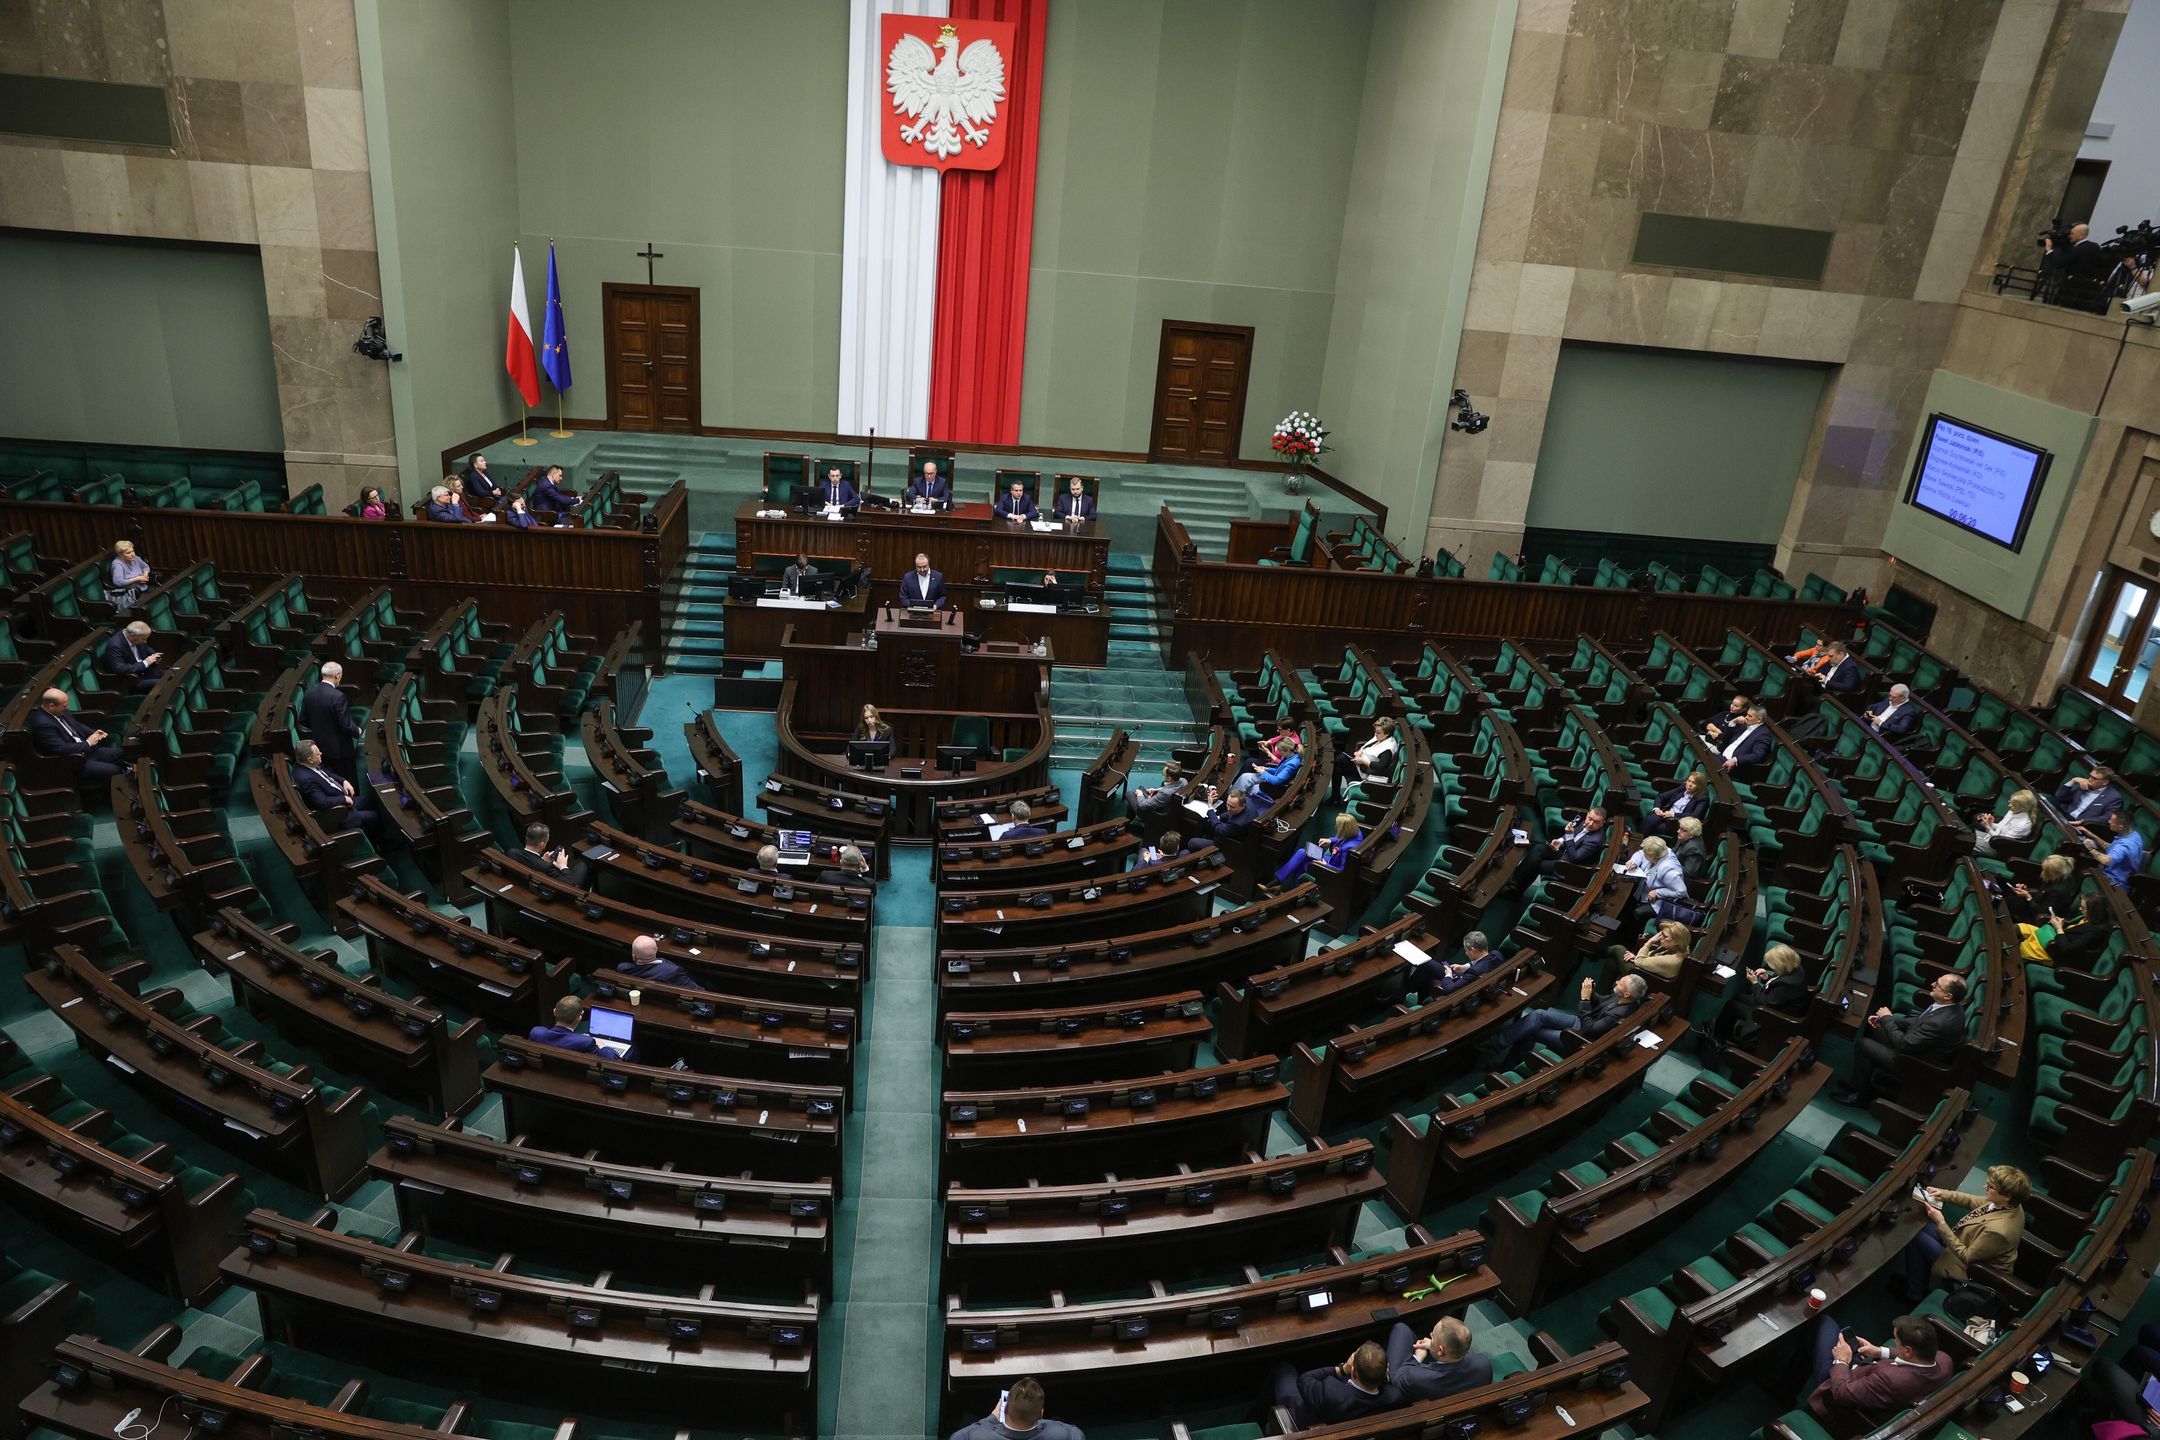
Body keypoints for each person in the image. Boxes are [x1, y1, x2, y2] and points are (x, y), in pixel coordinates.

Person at [1800, 1313, 1955, 1434]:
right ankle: (1786, 1385)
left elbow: (1841, 1393)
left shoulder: (1890, 1380)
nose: (1894, 1343)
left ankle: (1788, 1389)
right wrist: (1880, 1351)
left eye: (1896, 1341)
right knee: (1809, 1341)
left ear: (1908, 1350)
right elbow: (1916, 1358)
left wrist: (1842, 1361)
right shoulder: (1944, 1360)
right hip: (1867, 1375)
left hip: (1837, 1384)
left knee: (1823, 1322)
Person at [1895, 1164, 2029, 1301]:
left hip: (1972, 1270)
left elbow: (1967, 1256)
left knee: (1916, 1237)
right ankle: (1918, 1283)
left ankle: (1914, 1292)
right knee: (1920, 1227)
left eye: (1991, 1187)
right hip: (1966, 1242)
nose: (1985, 1188)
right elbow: (1971, 1201)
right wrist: (1942, 1194)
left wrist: (1941, 1223)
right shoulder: (2010, 1205)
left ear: (2007, 1196)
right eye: (1988, 1183)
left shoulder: (1999, 1231)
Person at [1832, 971, 1967, 1105]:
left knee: (1864, 1045)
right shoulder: (1950, 1006)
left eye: (1938, 985)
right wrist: (1886, 1020)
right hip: (1916, 1046)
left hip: (1915, 1063)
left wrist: (1887, 1019)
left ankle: (1860, 1097)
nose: (1932, 984)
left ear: (1948, 995)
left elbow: (1904, 1045)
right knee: (1875, 1028)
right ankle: (1859, 1083)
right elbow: (1918, 1021)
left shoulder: (1939, 1022)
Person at [1480, 974, 1648, 1069]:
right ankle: (1496, 1042)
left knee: (1533, 1031)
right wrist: (1591, 990)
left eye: (1621, 983)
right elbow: (1602, 1001)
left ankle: (1506, 1065)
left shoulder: (1620, 1013)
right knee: (1539, 1014)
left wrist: (1584, 999)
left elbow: (1589, 1030)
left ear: (1627, 995)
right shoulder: (1621, 997)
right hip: (1581, 1022)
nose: (1617, 982)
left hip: (1580, 1039)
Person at [1267, 1341, 1399, 1430]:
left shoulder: (1332, 1393)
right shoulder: (1394, 1396)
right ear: (1386, 1371)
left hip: (1307, 1424)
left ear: (1353, 1371)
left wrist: (1341, 1369)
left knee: (1284, 1369)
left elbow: (1304, 1379)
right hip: (1342, 1423)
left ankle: (1257, 1418)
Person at [1707, 941, 1810, 1051]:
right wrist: (1767, 977)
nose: (1770, 967)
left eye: (1772, 965)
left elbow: (1765, 1002)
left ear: (1780, 966)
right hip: (1775, 1003)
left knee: (1731, 1006)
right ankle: (1725, 1033)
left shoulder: (1788, 985)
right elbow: (1778, 986)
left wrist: (1755, 983)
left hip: (1772, 1016)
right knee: (1738, 997)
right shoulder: (1794, 968)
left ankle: (1716, 1039)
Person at [29, 688, 131, 783]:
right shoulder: (42, 724)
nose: (67, 707)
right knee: (114, 770)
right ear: (51, 706)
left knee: (124, 753)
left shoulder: (59, 710)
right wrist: (88, 743)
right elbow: (61, 748)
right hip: (74, 761)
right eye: (64, 706)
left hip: (86, 751)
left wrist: (93, 733)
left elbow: (76, 726)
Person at [1506, 805, 1608, 896]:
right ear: (1587, 815)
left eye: (1596, 822)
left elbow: (1575, 857)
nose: (1590, 824)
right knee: (1540, 848)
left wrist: (1568, 835)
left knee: (1537, 864)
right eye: (1590, 819)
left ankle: (1515, 890)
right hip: (1565, 854)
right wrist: (1560, 841)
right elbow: (1572, 837)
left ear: (1602, 823)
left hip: (1571, 867)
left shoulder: (1595, 840)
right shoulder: (1585, 823)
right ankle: (1515, 879)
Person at [1386, 1316, 1492, 1402]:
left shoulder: (1414, 1377)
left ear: (1441, 1351)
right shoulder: (1484, 1365)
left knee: (1401, 1329)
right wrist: (1433, 1346)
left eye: (1433, 1336)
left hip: (1412, 1406)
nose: (1430, 1334)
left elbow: (1397, 1379)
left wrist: (1417, 1357)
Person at [947, 1375, 1084, 1440]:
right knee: (1058, 1418)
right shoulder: (1064, 1434)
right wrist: (1044, 1422)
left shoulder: (977, 1435)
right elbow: (1076, 1433)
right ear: (1041, 1414)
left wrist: (991, 1419)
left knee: (968, 1418)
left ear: (1005, 1409)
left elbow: (956, 1437)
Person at [292, 740, 380, 832]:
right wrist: (344, 799)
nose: (321, 753)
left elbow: (326, 773)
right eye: (318, 754)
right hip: (339, 813)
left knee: (374, 799)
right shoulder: (306, 779)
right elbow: (321, 802)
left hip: (342, 798)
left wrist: (343, 781)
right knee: (375, 816)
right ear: (310, 760)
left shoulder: (305, 763)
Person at [2022, 887, 2111, 968]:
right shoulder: (2086, 918)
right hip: (2051, 937)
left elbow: (2067, 948)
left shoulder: (2096, 932)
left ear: (2093, 911)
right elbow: (2073, 928)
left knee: (2022, 949)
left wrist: (2059, 928)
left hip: (2055, 952)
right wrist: (2062, 923)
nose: (2080, 909)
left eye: (2083, 908)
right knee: (2019, 927)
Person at [1269, 811, 1361, 888]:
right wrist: (1330, 840)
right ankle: (1280, 882)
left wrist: (1326, 865)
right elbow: (1342, 838)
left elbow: (1342, 870)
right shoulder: (1355, 831)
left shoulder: (1349, 849)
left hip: (1331, 870)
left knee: (1303, 863)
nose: (1336, 828)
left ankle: (1286, 886)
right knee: (1302, 852)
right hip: (1331, 860)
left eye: (1338, 826)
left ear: (1344, 829)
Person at [302, 661, 359, 779]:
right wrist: (357, 731)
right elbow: (346, 725)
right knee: (347, 779)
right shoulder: (338, 696)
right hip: (340, 750)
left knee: (329, 778)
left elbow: (303, 720)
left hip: (319, 746)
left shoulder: (309, 693)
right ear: (337, 675)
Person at [1599, 919, 1691, 987]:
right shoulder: (1676, 948)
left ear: (1677, 941)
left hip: (1645, 980)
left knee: (1618, 949)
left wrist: (1649, 942)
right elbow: (1649, 957)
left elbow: (1640, 961)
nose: (1660, 938)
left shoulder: (1672, 960)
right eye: (1661, 934)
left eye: (1665, 936)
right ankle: (1602, 994)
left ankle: (1595, 952)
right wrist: (1637, 957)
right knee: (1612, 961)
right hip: (1646, 971)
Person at [1412, 929, 1504, 996]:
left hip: (1461, 990)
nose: (1465, 953)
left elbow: (1449, 990)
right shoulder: (1496, 955)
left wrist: (1448, 974)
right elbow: (1481, 963)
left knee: (1429, 982)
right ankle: (1410, 988)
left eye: (1466, 950)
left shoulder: (1474, 972)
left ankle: (1411, 995)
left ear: (1473, 950)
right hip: (1467, 979)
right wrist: (1465, 967)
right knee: (1429, 963)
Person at [1619, 833, 1689, 919]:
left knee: (1635, 910)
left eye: (1645, 852)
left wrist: (1658, 892)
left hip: (1662, 902)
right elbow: (1640, 853)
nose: (1643, 853)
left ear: (1651, 856)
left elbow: (1681, 891)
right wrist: (1634, 861)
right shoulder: (1660, 851)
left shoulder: (1668, 871)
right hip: (1646, 892)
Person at [512, 821, 591, 889]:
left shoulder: (512, 853)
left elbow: (531, 861)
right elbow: (571, 885)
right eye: (547, 841)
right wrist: (563, 866)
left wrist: (542, 860)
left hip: (522, 883)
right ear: (542, 845)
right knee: (582, 864)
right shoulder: (546, 867)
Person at [2008, 852, 2078, 925]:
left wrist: (2028, 897)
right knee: (2010, 901)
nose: (2043, 873)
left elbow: (2042, 913)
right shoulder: (2056, 878)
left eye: (2046, 871)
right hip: (2035, 906)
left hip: (2040, 918)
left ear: (2053, 873)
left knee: (2009, 906)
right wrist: (2026, 890)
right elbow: (2042, 894)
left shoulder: (2058, 891)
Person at [615, 933, 702, 991]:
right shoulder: (673, 972)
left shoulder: (623, 968)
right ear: (656, 950)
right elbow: (698, 991)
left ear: (634, 955)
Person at [2085, 809, 2145, 890]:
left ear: (2120, 827)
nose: (2109, 821)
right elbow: (2111, 848)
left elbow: (2106, 861)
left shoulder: (2124, 846)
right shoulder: (2134, 835)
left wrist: (2090, 849)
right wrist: (2090, 834)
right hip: (2117, 878)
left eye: (2111, 821)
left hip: (2113, 883)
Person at [2054, 762, 2124, 829]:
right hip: (2066, 812)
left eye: (2094, 778)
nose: (2090, 779)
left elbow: (2107, 818)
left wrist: (2084, 821)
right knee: (2049, 799)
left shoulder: (2114, 798)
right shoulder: (2085, 784)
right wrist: (2073, 781)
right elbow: (2060, 797)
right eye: (2090, 776)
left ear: (2105, 782)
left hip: (2082, 823)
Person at [1232, 735, 1302, 801]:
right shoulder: (1291, 755)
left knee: (1248, 788)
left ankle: (1233, 800)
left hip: (1272, 788)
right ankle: (1231, 796)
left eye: (1280, 751)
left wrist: (1263, 772)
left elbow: (1276, 781)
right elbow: (1279, 770)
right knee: (1245, 776)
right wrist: (1266, 769)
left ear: (1287, 751)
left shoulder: (1291, 764)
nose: (1279, 753)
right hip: (1270, 779)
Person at [528, 995, 602, 1056]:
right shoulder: (586, 1042)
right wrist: (602, 1046)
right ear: (579, 1018)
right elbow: (610, 1058)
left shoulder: (536, 1032)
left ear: (554, 1012)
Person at [1644, 769, 1710, 837]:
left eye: (1694, 783)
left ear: (1699, 786)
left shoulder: (1702, 799)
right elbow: (1661, 796)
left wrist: (1673, 814)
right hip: (1665, 813)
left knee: (1655, 827)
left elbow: (1694, 816)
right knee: (1650, 820)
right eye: (1689, 781)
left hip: (1677, 822)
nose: (1689, 784)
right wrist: (1657, 808)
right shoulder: (1683, 788)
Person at [1971, 788, 2037, 856]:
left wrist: (1988, 827)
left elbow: (2000, 841)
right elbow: (2001, 828)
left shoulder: (2023, 825)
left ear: (2023, 808)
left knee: (1965, 841)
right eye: (2010, 802)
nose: (2009, 805)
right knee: (1966, 832)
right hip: (1990, 838)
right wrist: (1990, 823)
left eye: (2013, 804)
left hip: (1996, 849)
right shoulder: (2012, 811)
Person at [104, 621, 163, 693]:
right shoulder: (115, 645)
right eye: (143, 639)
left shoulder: (136, 637)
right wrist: (145, 663)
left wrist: (154, 656)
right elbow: (120, 669)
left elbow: (146, 649)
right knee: (162, 683)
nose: (145, 642)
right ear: (132, 635)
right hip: (131, 681)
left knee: (170, 675)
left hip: (143, 672)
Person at [1717, 705, 1773, 773]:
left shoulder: (1764, 734)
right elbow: (1725, 739)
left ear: (1759, 720)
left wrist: (1736, 760)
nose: (1746, 717)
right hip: (1721, 756)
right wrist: (1733, 722)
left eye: (1750, 716)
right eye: (1747, 714)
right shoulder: (1744, 724)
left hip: (1733, 766)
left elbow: (1757, 755)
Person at [1347, 717, 1400, 786]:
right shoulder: (1381, 736)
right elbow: (1368, 746)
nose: (1375, 734)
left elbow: (1382, 766)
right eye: (1375, 731)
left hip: (1366, 771)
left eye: (1378, 732)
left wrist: (1363, 761)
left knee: (1340, 760)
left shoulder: (1388, 749)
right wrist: (1360, 751)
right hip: (1359, 764)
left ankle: (1335, 793)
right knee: (1340, 762)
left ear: (1387, 733)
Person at [105, 540, 150, 611]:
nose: (132, 554)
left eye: (133, 551)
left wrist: (145, 575)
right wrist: (137, 579)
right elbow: (118, 582)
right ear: (120, 554)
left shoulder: (135, 558)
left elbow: (145, 567)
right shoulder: (117, 565)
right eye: (128, 553)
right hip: (131, 594)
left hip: (144, 588)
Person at [1672, 816, 1710, 886]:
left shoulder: (1693, 848)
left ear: (1692, 835)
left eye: (1683, 830)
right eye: (1679, 828)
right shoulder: (1684, 837)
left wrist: (1671, 864)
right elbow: (1675, 851)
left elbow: (1689, 872)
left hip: (1686, 882)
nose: (1678, 831)